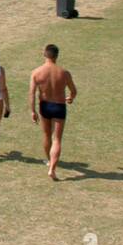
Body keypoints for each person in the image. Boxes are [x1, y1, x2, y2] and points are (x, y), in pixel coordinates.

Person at [29, 44, 77, 181]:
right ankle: (52, 169)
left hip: (44, 105)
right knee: (57, 139)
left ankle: (49, 160)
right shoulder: (64, 73)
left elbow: (31, 94)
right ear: (56, 56)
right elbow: (73, 91)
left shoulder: (36, 72)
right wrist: (71, 98)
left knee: (46, 135)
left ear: (44, 55)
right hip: (59, 106)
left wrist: (32, 111)